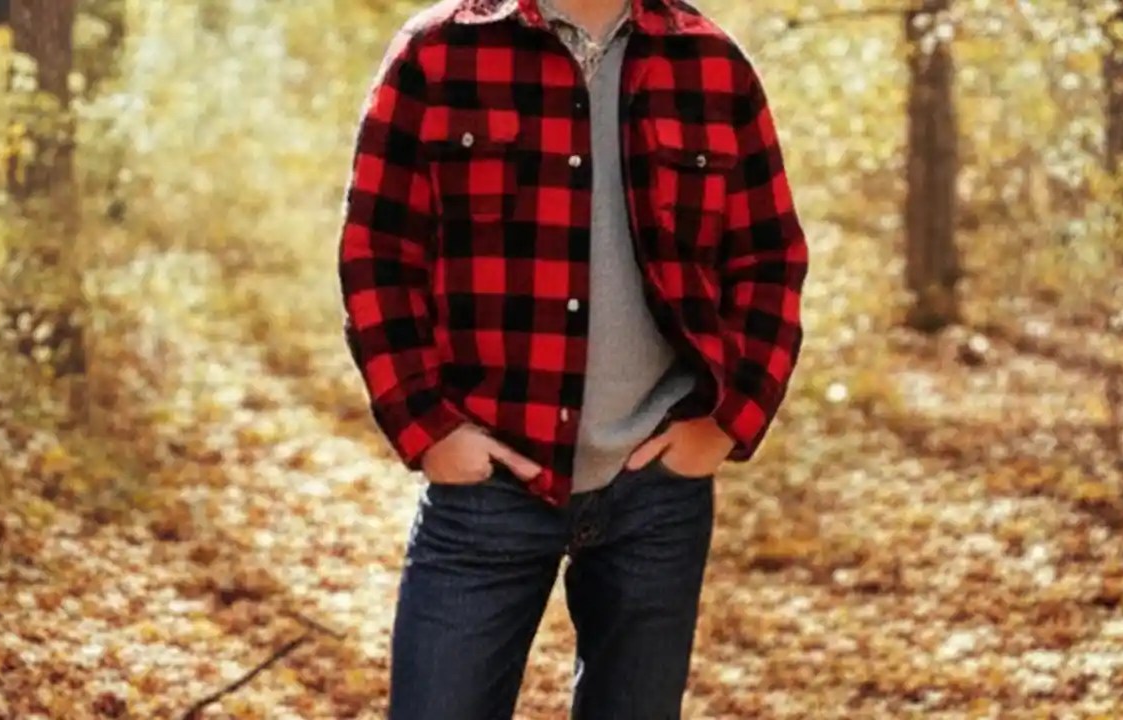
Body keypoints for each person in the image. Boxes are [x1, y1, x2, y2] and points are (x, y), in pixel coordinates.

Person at [337, 0, 808, 717]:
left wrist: (725, 424)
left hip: (655, 494)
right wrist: (428, 427)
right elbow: (377, 254)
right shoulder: (436, 53)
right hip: (486, 486)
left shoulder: (713, 64)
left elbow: (769, 261)